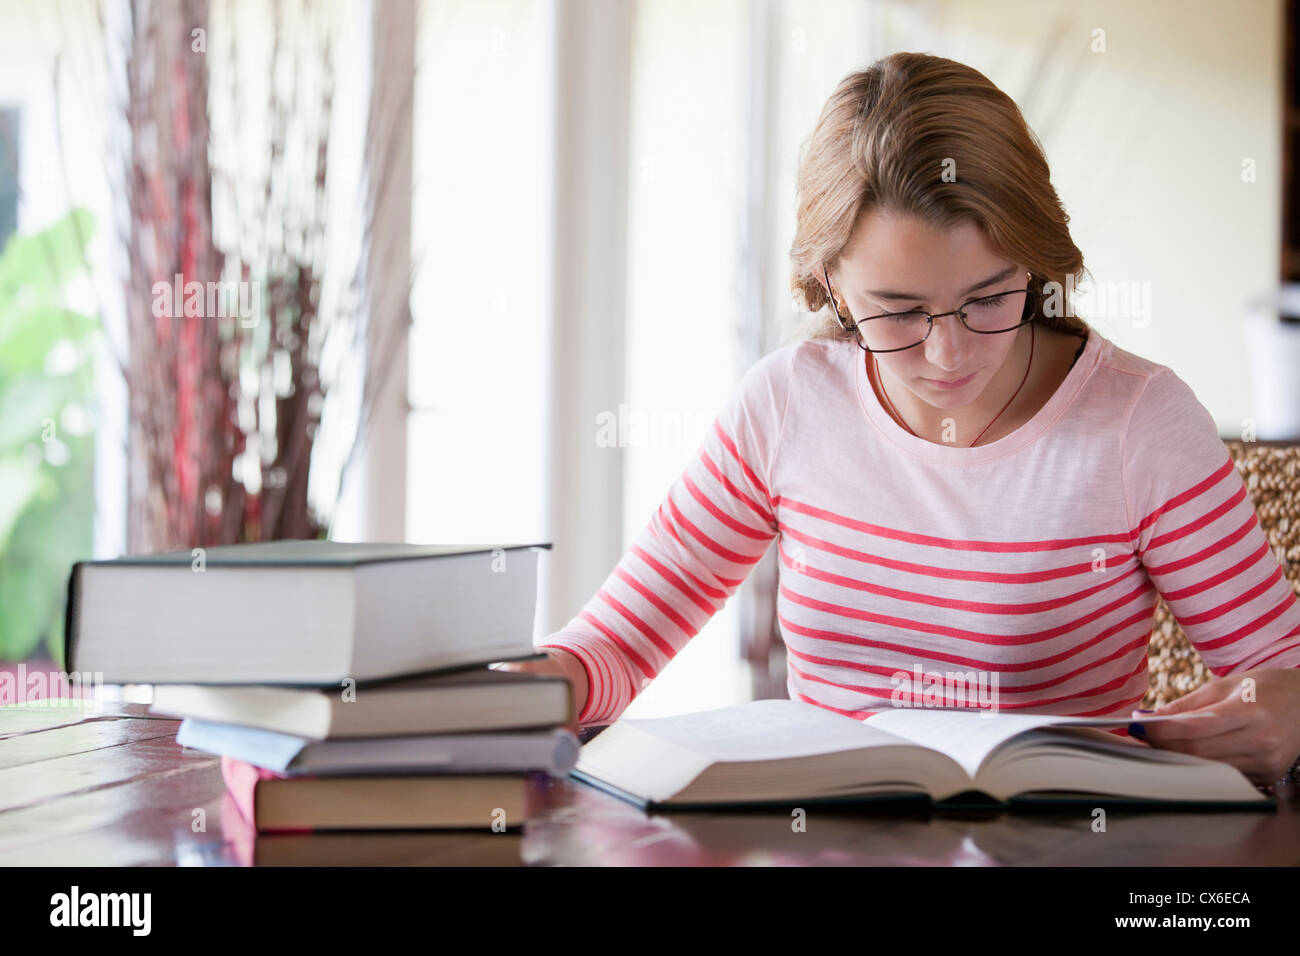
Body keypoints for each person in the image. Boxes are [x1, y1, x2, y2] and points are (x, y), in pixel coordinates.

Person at [500, 52, 1300, 789]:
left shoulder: (1137, 424)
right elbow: (613, 648)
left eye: (988, 297)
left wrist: (1289, 715)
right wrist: (537, 686)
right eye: (898, 310)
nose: (948, 353)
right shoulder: (787, 405)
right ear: (830, 285)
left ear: (1036, 255)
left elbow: (1283, 669)